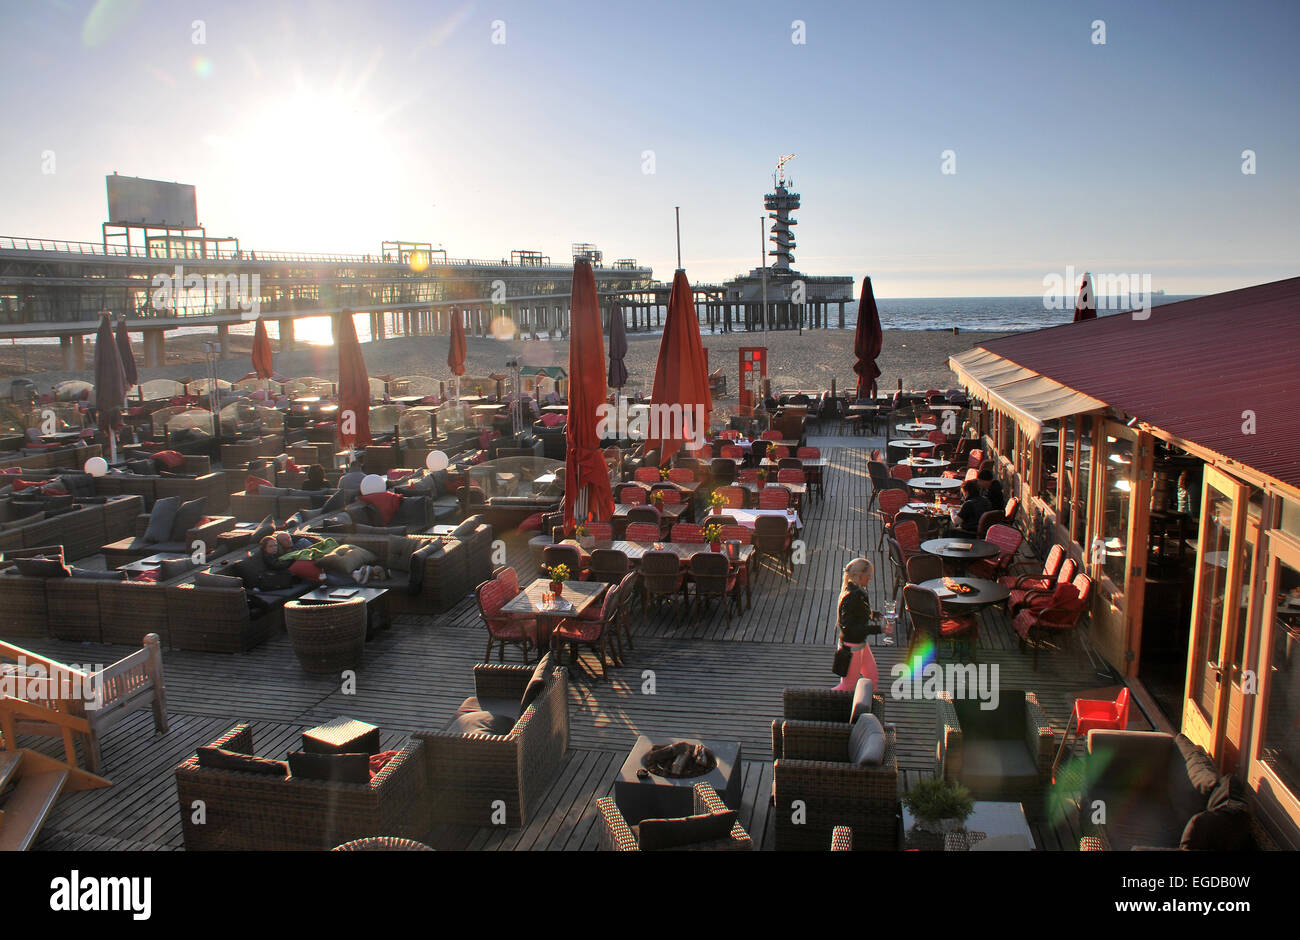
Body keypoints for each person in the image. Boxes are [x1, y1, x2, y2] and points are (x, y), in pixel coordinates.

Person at [832, 558, 879, 691]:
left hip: (860, 644)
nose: (870, 578)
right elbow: (852, 629)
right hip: (851, 647)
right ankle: (823, 703)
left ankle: (871, 706)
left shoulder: (857, 593)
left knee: (872, 678)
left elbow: (858, 614)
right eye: (868, 575)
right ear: (860, 576)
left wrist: (873, 614)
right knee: (847, 686)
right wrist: (880, 629)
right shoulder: (852, 597)